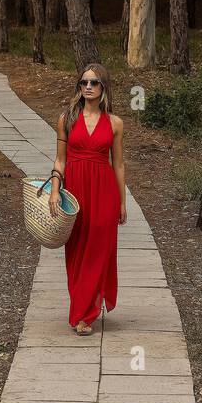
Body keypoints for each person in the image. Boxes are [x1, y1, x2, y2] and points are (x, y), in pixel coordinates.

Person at [49, 62, 126, 336]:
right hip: (75, 192)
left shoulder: (115, 123)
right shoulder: (66, 119)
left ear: (103, 87)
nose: (89, 87)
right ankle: (80, 306)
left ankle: (86, 316)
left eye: (94, 83)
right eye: (84, 83)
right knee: (77, 252)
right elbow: (60, 160)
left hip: (104, 192)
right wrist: (55, 190)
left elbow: (118, 164)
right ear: (78, 87)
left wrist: (122, 201)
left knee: (98, 251)